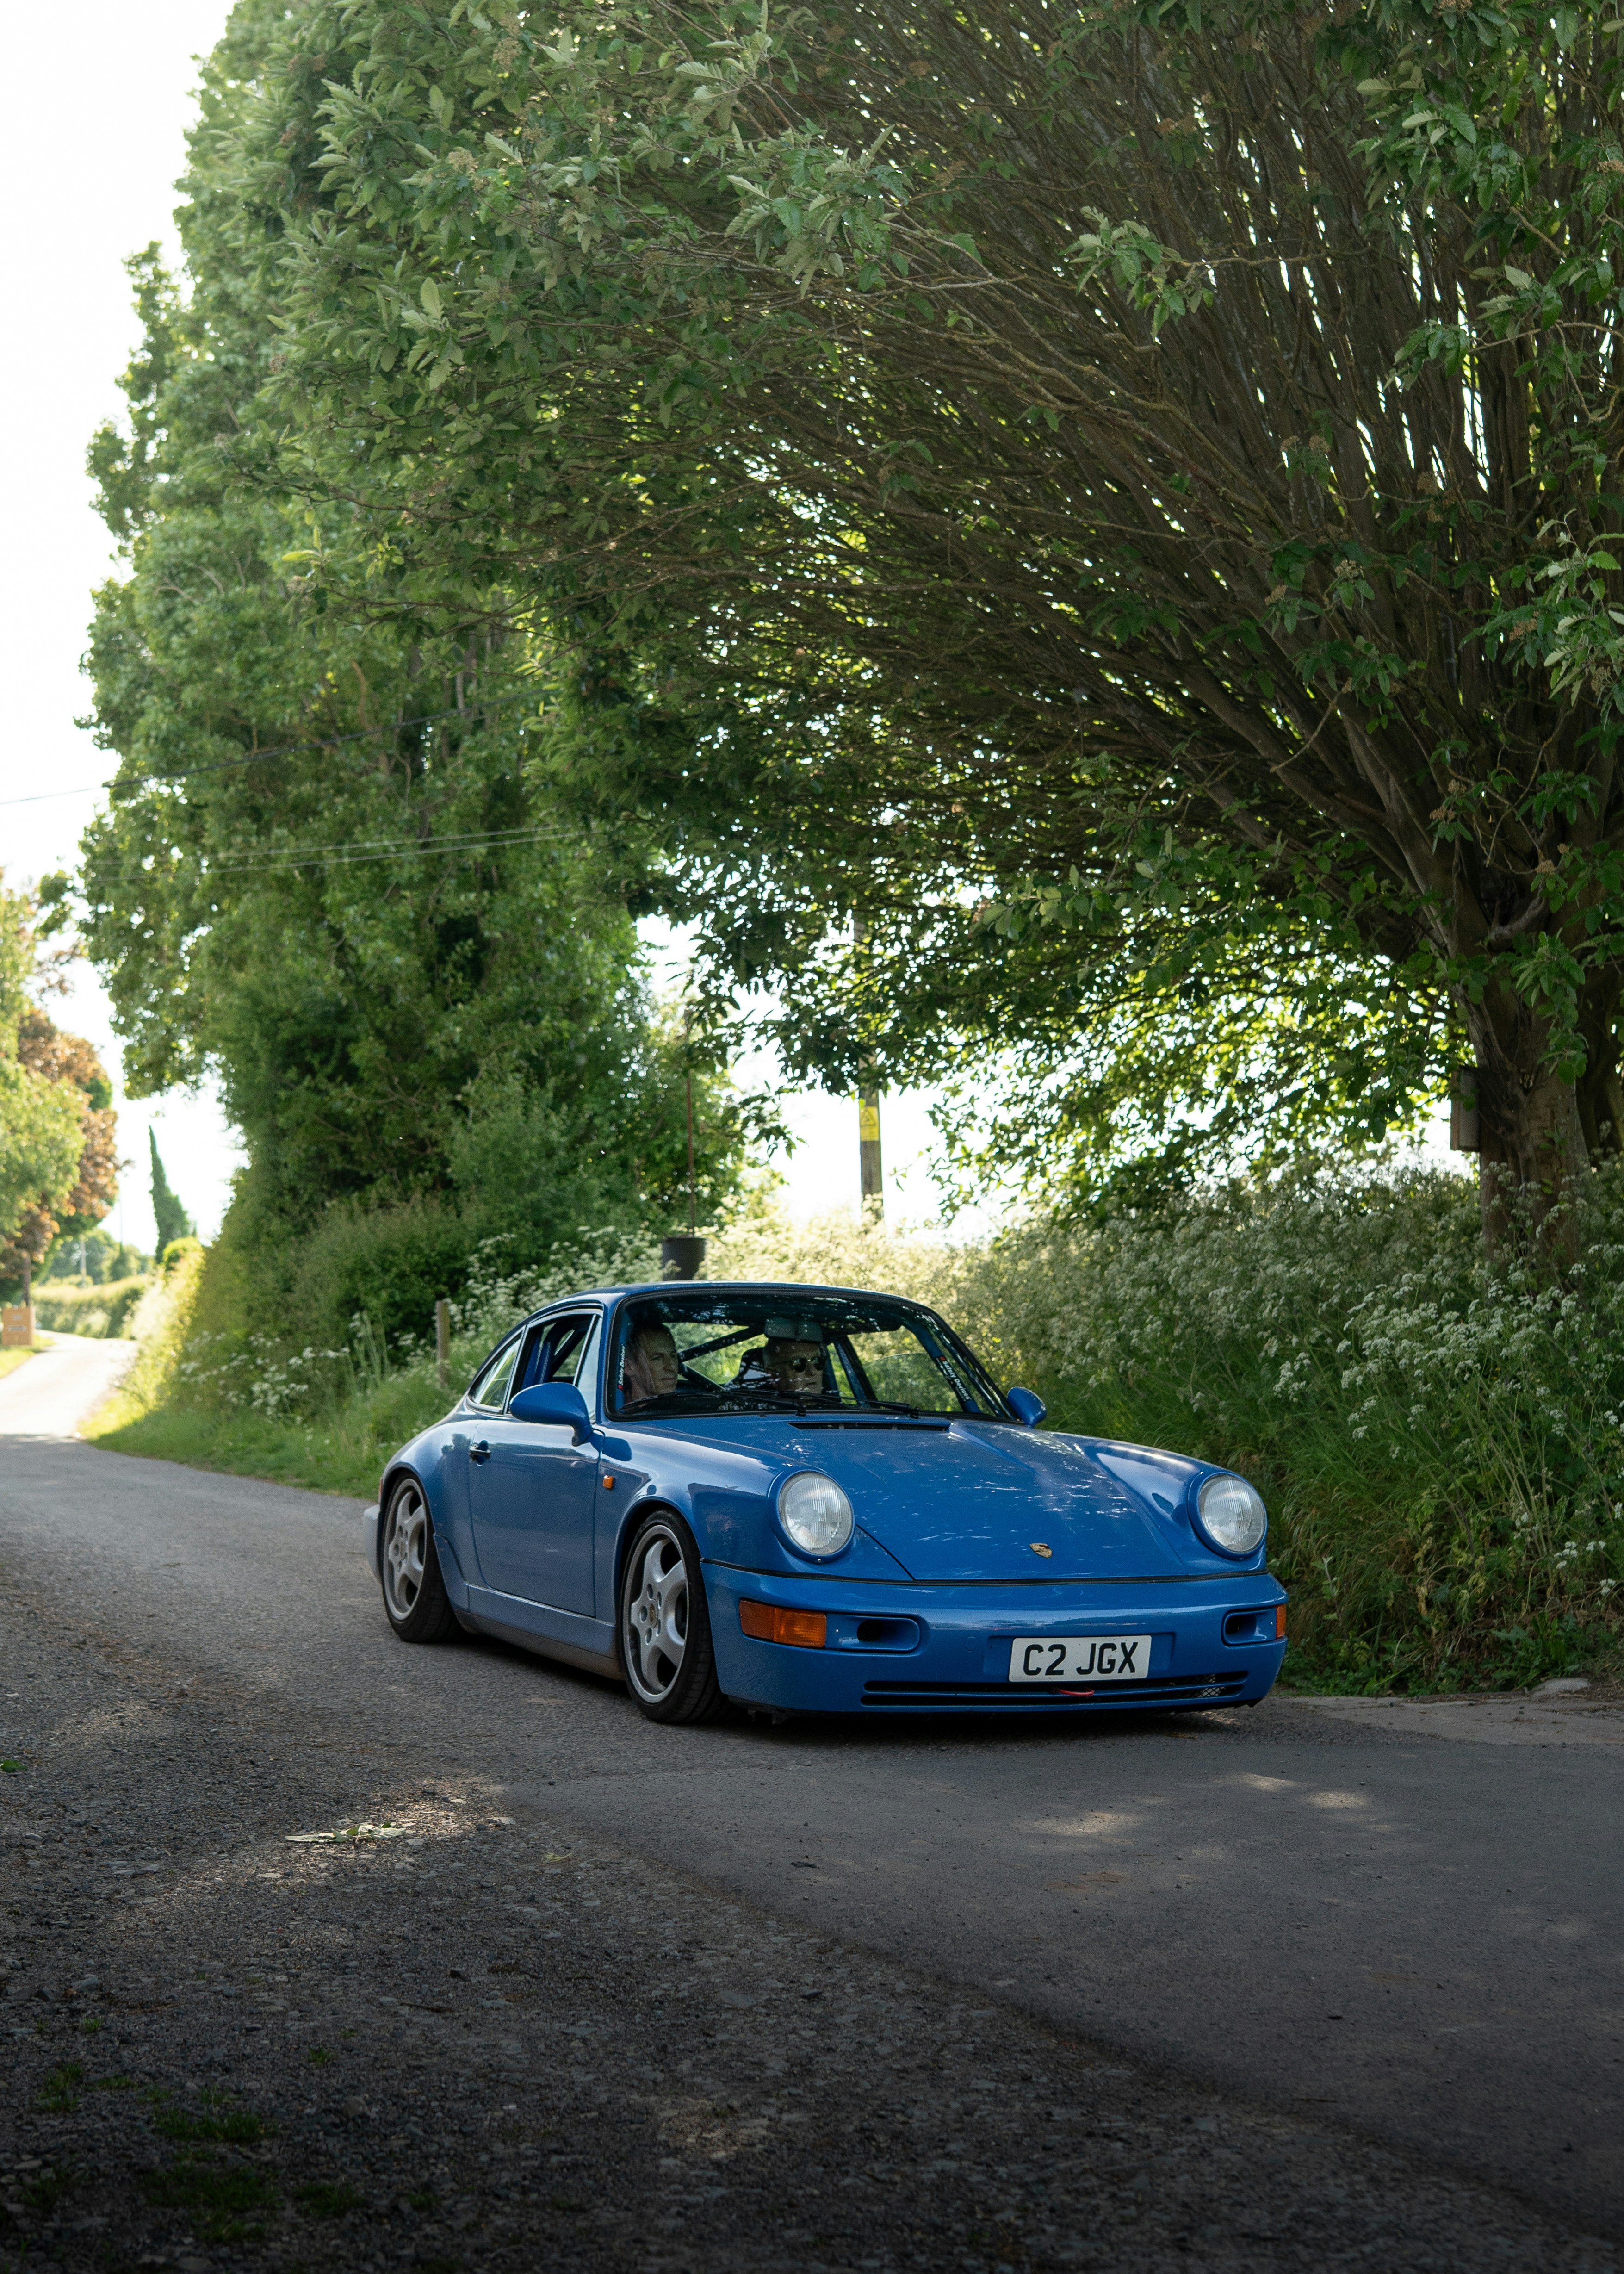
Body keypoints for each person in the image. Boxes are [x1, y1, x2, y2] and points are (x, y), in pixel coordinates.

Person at [620, 1321, 681, 1407]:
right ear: (628, 1367)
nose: (672, 1366)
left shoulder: (687, 1408)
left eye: (673, 1356)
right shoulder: (620, 1415)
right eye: (657, 1358)